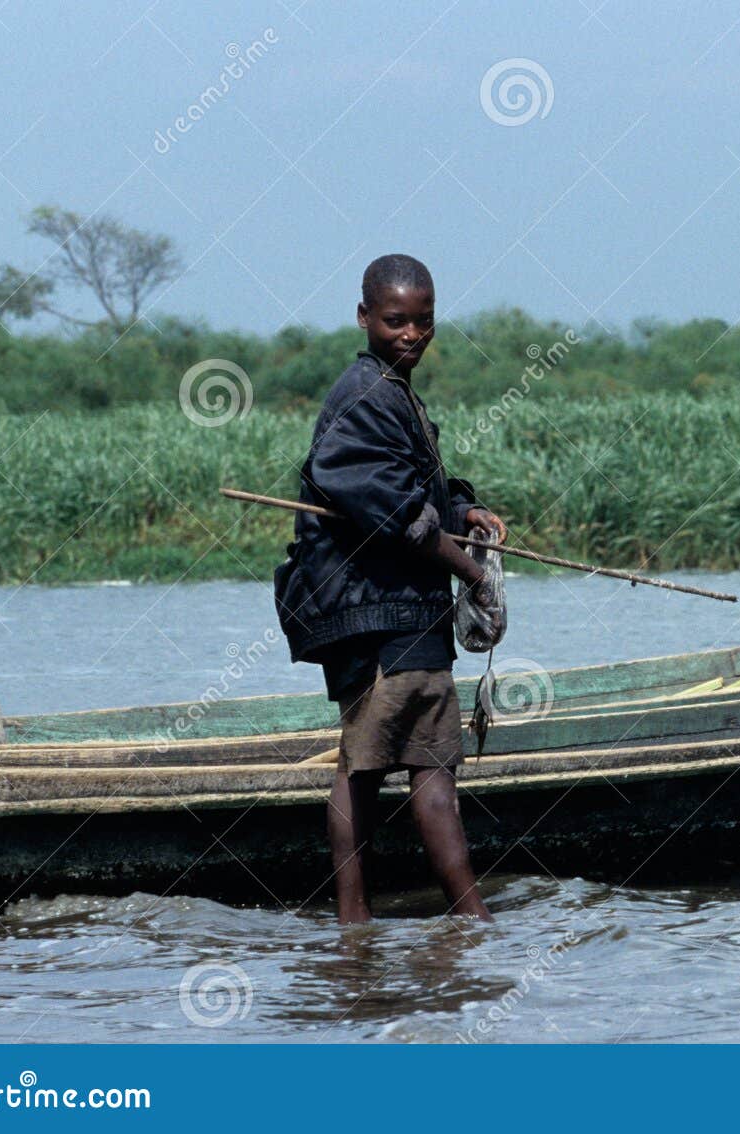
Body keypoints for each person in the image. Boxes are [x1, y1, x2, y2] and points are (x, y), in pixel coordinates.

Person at [274, 253, 506, 924]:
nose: (412, 334)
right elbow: (395, 515)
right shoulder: (365, 396)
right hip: (371, 612)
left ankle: (468, 918)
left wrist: (462, 512)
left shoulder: (394, 389)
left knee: (433, 769)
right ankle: (354, 921)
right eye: (397, 321)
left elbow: (419, 494)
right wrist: (472, 573)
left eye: (424, 322)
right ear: (365, 317)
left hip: (414, 615)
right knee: (363, 768)